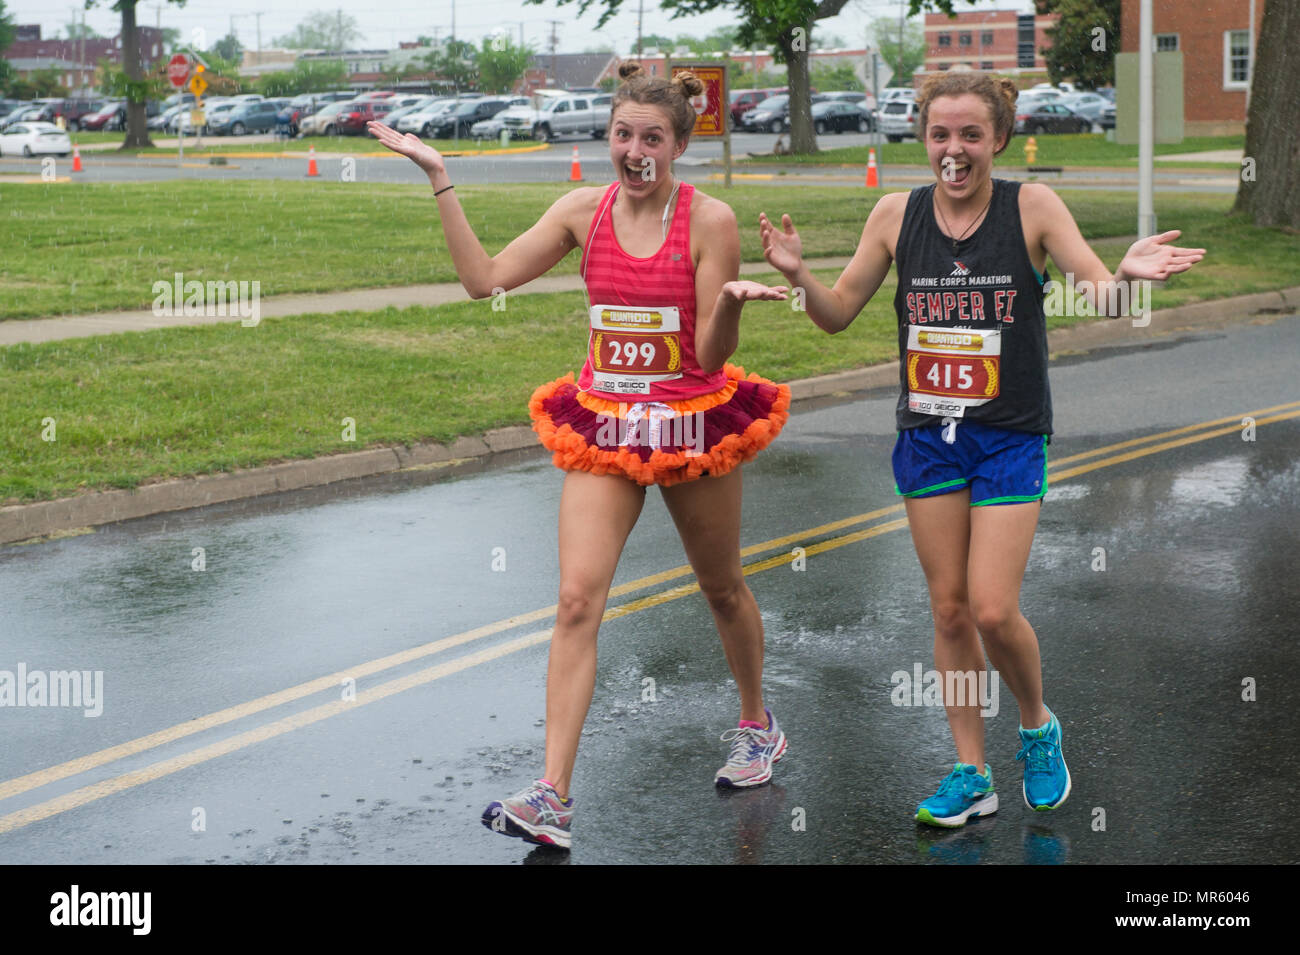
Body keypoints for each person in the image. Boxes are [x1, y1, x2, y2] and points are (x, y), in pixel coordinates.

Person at [758, 72, 1203, 828]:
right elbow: (835, 315)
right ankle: (970, 769)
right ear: (921, 137)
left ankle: (1036, 722)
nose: (954, 150)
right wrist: (801, 275)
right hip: (929, 436)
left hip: (1009, 433)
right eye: (940, 134)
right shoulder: (896, 215)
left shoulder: (1030, 206)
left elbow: (1099, 294)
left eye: (970, 135)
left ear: (999, 136)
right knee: (950, 607)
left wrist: (1126, 279)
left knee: (995, 609)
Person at [368, 62, 793, 850]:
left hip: (690, 417)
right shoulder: (578, 212)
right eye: (622, 134)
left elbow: (707, 352)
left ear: (678, 146)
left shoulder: (711, 222)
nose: (635, 150)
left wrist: (729, 308)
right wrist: (440, 178)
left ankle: (756, 722)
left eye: (652, 138)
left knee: (722, 587)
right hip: (606, 422)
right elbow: (482, 279)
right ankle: (552, 794)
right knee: (574, 599)